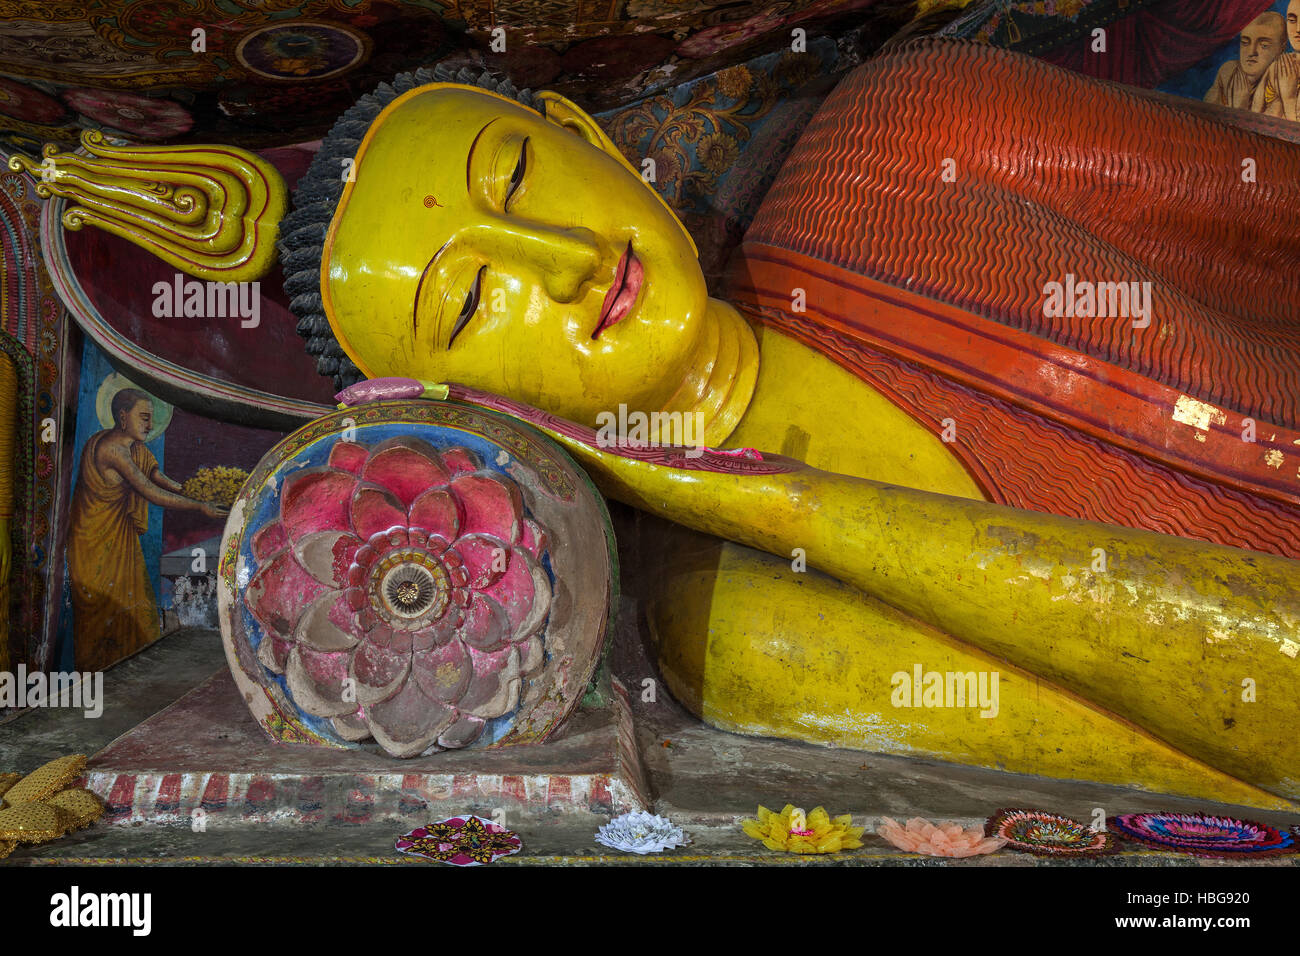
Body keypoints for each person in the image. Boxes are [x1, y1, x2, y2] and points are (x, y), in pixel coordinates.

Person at [68, 388, 226, 671]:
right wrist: (197, 506)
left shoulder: (135, 450)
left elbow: (157, 478)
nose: (149, 425)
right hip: (93, 542)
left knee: (134, 607)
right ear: (122, 416)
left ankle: (127, 673)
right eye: (143, 417)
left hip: (119, 538)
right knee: (99, 614)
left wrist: (197, 492)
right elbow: (149, 491)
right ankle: (93, 678)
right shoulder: (111, 449)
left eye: (150, 419)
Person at [1204, 11, 1286, 108]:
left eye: (1264, 45)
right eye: (1245, 42)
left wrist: (1241, 106)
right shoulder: (1229, 71)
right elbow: (1207, 116)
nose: (1252, 52)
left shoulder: (1283, 83)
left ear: (1281, 49)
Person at [1254, 0, 1300, 118]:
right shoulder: (1279, 66)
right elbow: (1254, 116)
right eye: (1292, 20)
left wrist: (1289, 100)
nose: (1298, 29)